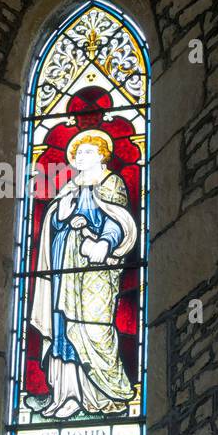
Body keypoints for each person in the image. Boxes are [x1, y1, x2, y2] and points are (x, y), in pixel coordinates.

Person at [30, 129, 137, 419]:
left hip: (96, 270)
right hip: (65, 266)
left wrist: (104, 241)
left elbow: (118, 221)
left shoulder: (111, 183)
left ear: (102, 154)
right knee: (63, 327)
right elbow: (54, 223)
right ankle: (67, 395)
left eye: (87, 151)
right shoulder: (69, 188)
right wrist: (60, 215)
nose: (79, 156)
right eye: (76, 152)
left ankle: (104, 395)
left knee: (94, 327)